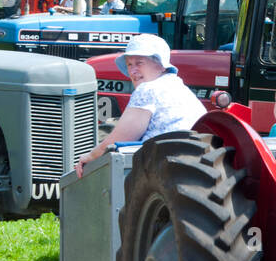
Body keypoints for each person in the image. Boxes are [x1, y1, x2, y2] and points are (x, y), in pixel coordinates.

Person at [73, 34, 204, 177]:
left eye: (139, 63)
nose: (132, 71)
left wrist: (90, 157)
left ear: (160, 65)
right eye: (129, 64)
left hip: (163, 168)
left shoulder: (148, 89)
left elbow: (121, 138)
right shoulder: (179, 87)